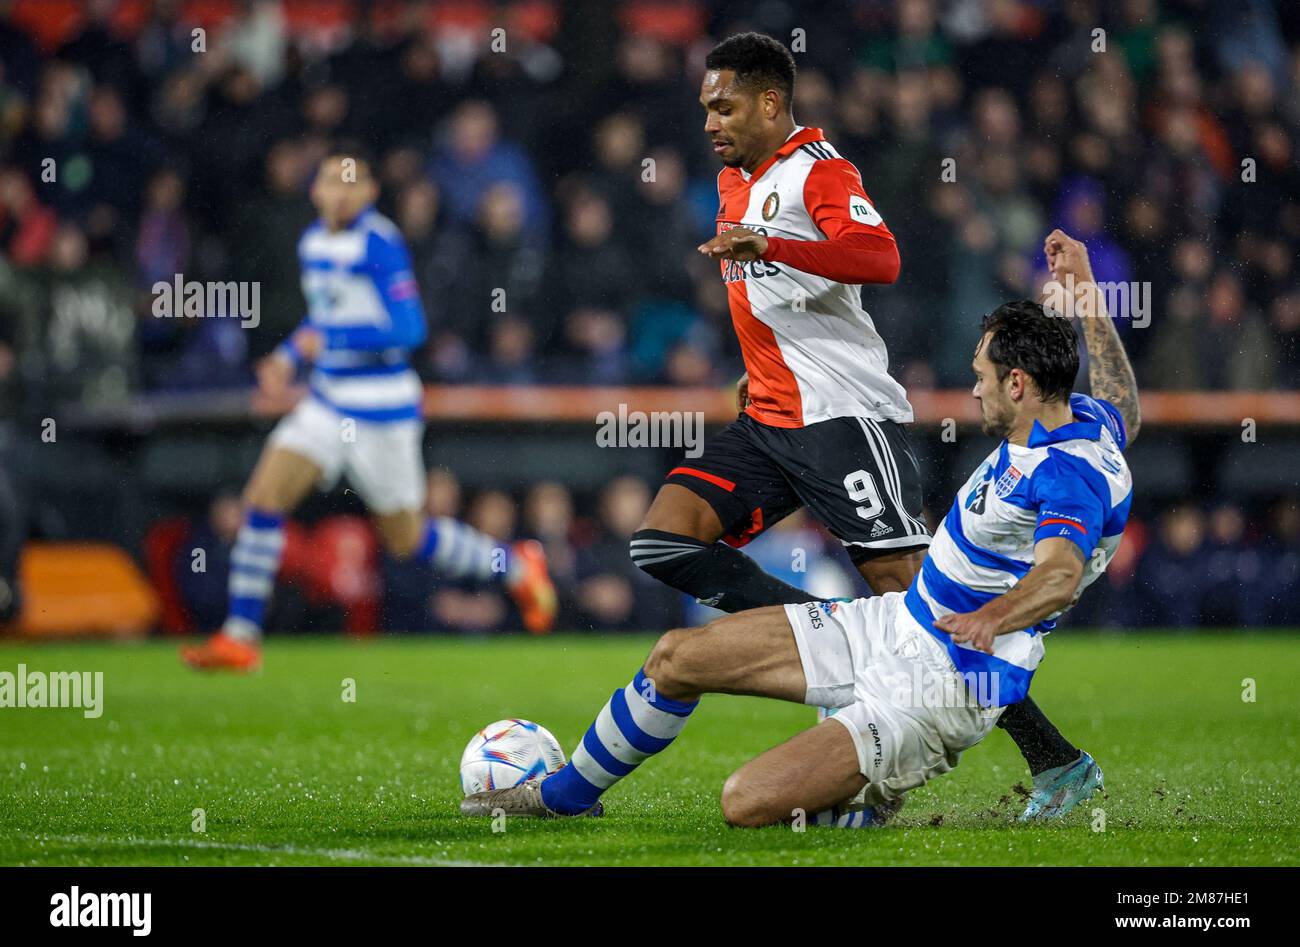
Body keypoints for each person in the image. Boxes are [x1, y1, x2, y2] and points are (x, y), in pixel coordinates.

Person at [463, 229, 1137, 825]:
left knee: (744, 802)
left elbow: (1060, 571)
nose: (974, 389)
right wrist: (1089, 299)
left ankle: (867, 798)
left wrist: (998, 617)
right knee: (676, 657)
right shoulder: (1082, 420)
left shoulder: (1063, 476)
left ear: (1018, 384)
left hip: (944, 683)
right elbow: (1124, 405)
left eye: (983, 376)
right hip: (894, 627)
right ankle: (560, 798)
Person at [629, 32, 1098, 816]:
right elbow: (769, 299)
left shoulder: (820, 169)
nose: (710, 120)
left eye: (725, 104)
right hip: (773, 416)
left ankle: (1056, 760)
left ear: (771, 103)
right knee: (663, 541)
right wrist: (759, 363)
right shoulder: (732, 182)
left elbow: (879, 257)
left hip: (843, 417)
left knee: (917, 597)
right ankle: (835, 640)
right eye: (706, 107)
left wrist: (771, 242)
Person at [180, 145, 555, 672]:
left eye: (350, 182)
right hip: (328, 399)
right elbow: (322, 318)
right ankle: (240, 638)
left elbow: (409, 328)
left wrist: (334, 335)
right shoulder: (312, 242)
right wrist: (287, 357)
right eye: (331, 180)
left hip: (381, 409)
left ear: (370, 193)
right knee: (263, 498)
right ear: (317, 190)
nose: (339, 191)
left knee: (408, 539)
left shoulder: (380, 242)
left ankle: (514, 564)